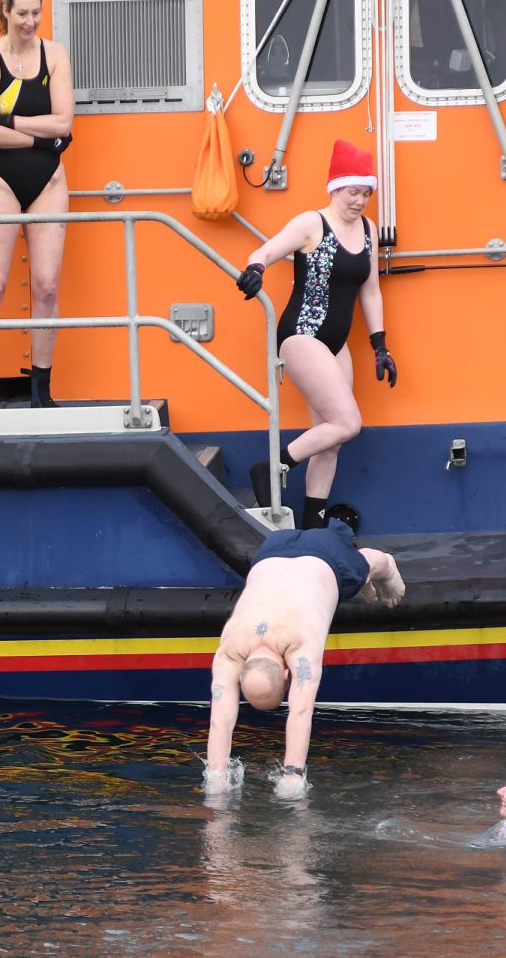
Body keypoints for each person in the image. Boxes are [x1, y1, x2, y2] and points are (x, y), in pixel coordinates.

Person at [236, 140, 397, 530]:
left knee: (331, 439)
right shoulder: (313, 223)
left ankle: (313, 527)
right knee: (347, 423)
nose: (359, 201)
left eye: (366, 193)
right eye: (352, 192)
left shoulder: (368, 228)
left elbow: (370, 290)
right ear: (335, 188)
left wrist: (380, 345)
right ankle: (271, 467)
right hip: (302, 335)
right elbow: (265, 251)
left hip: (336, 344)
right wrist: (255, 269)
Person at [203, 521, 404, 797]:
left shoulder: (300, 646)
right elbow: (219, 720)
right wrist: (216, 778)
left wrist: (293, 775)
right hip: (271, 549)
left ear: (288, 675)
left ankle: (382, 565)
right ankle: (361, 578)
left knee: (357, 568)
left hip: (329, 554)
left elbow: (300, 710)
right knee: (336, 580)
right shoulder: (231, 646)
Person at [0, 0, 73, 411]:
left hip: (48, 181)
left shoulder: (56, 54)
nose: (31, 21)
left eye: (37, 12)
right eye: (22, 13)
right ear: (5, 12)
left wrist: (13, 123)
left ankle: (41, 392)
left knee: (47, 287)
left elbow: (65, 123)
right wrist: (39, 135)